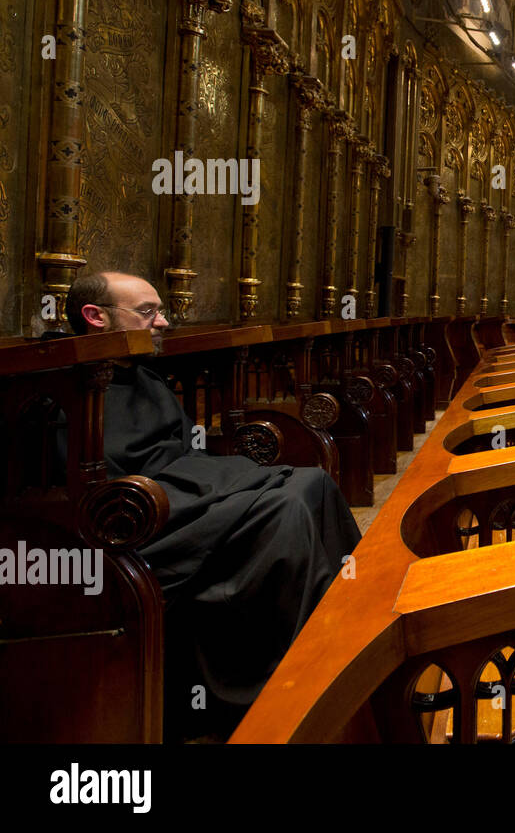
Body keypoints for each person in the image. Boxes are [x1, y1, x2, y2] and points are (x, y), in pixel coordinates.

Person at [64, 272, 361, 739]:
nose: (162, 322)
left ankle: (346, 636)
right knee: (281, 508)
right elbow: (105, 482)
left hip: (176, 491)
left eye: (161, 310)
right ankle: (289, 687)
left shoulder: (139, 371)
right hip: (133, 521)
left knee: (313, 483)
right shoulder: (63, 388)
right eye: (147, 313)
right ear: (95, 317)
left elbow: (182, 449)